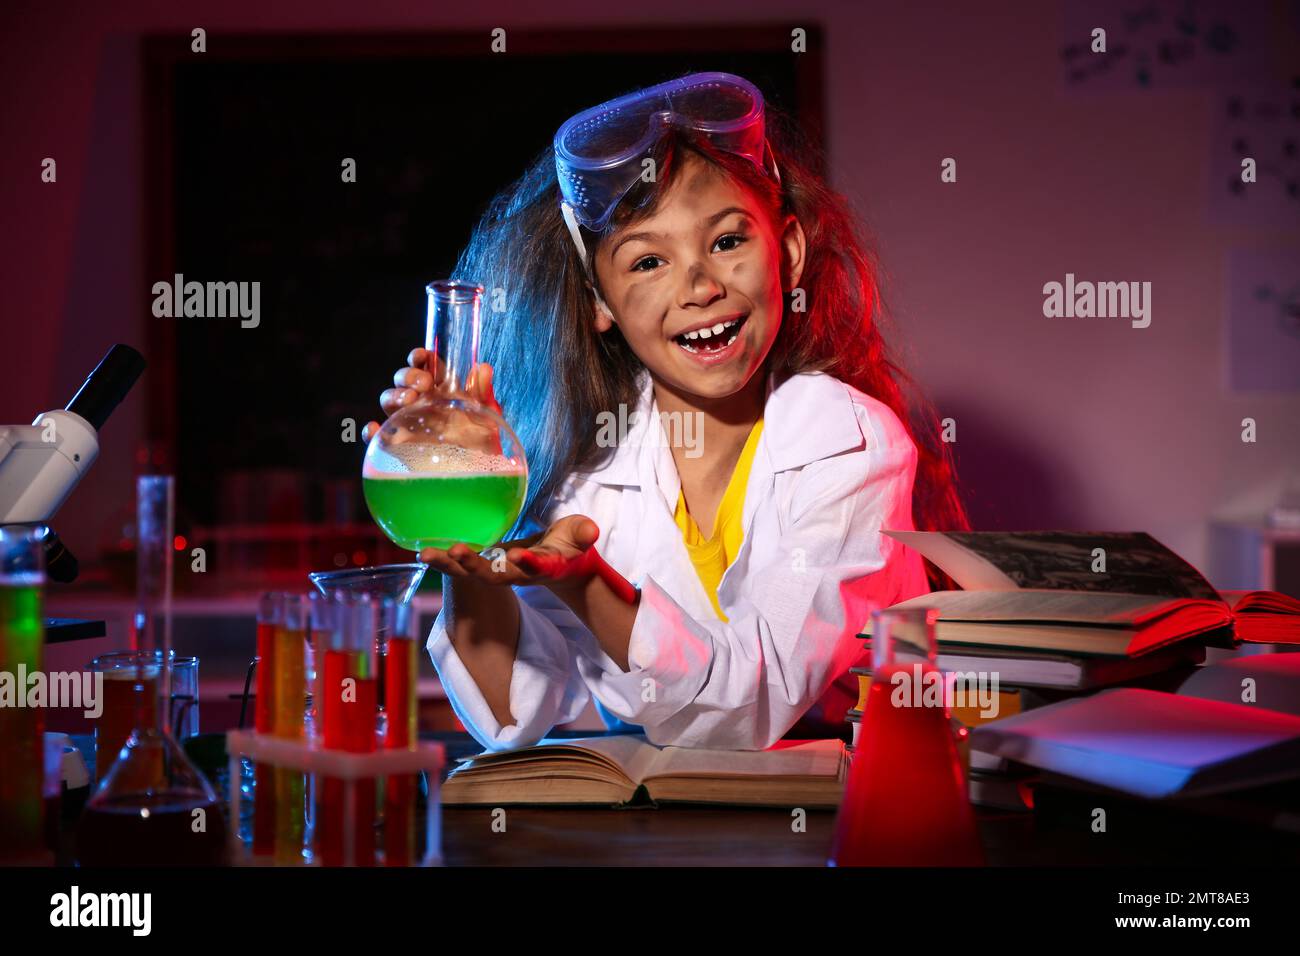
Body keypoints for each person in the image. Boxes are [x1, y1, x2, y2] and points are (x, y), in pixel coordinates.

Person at [363, 72, 968, 751]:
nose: (701, 287)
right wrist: (467, 538)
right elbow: (510, 715)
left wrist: (589, 583)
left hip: (859, 820)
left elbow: (751, 711)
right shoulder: (587, 472)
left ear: (789, 255)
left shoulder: (849, 442)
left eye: (728, 242)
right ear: (598, 301)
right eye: (649, 261)